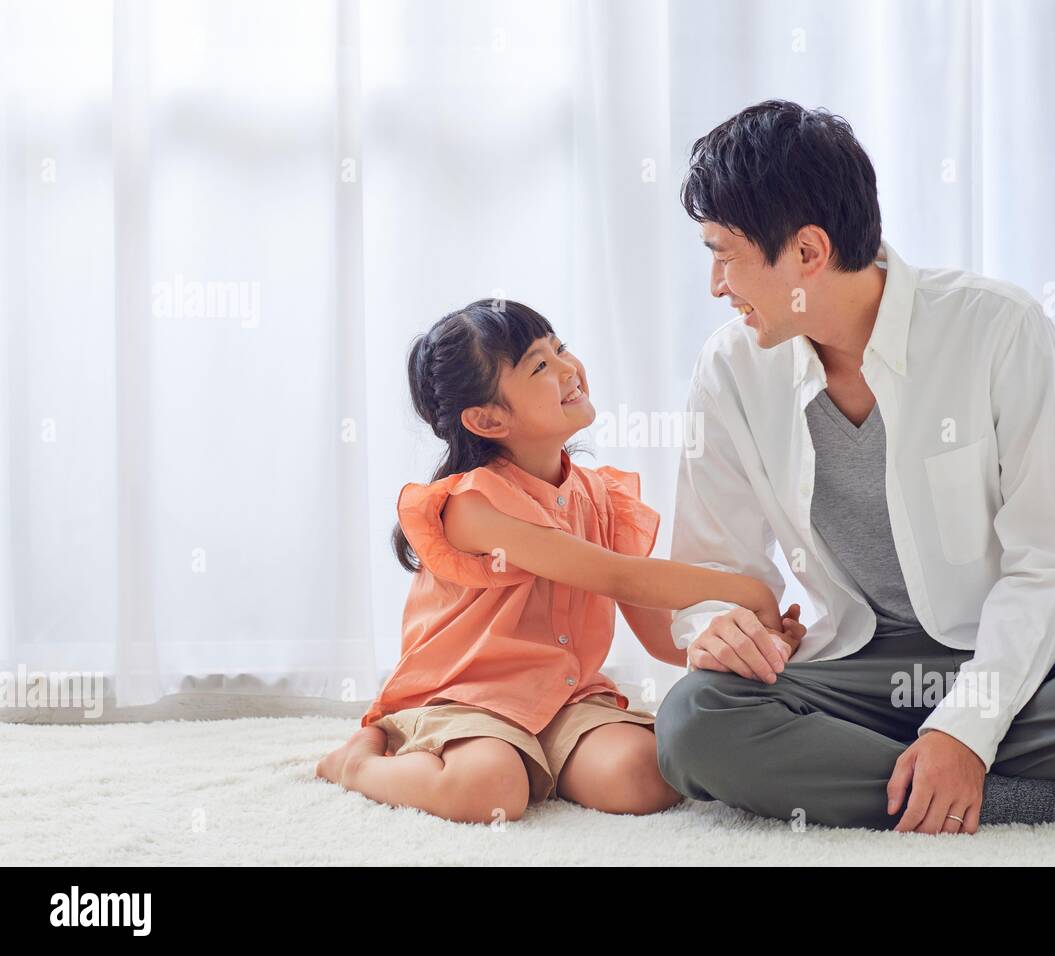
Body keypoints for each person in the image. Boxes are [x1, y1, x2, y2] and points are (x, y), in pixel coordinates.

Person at [654, 100, 1055, 836]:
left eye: (724, 253)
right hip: (856, 670)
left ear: (807, 252)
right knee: (691, 721)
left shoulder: (998, 329)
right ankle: (1027, 799)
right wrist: (719, 626)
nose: (715, 285)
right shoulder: (730, 368)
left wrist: (967, 724)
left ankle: (921, 764)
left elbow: (1051, 559)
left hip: (1016, 660)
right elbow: (713, 571)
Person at [316, 298, 804, 823]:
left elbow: (663, 639)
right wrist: (752, 593)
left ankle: (539, 762)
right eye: (541, 365)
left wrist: (752, 641)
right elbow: (620, 576)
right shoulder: (473, 505)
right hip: (466, 700)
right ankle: (358, 765)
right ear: (486, 418)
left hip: (566, 701)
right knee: (489, 789)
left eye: (561, 347)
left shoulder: (601, 498)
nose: (569, 368)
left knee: (647, 776)